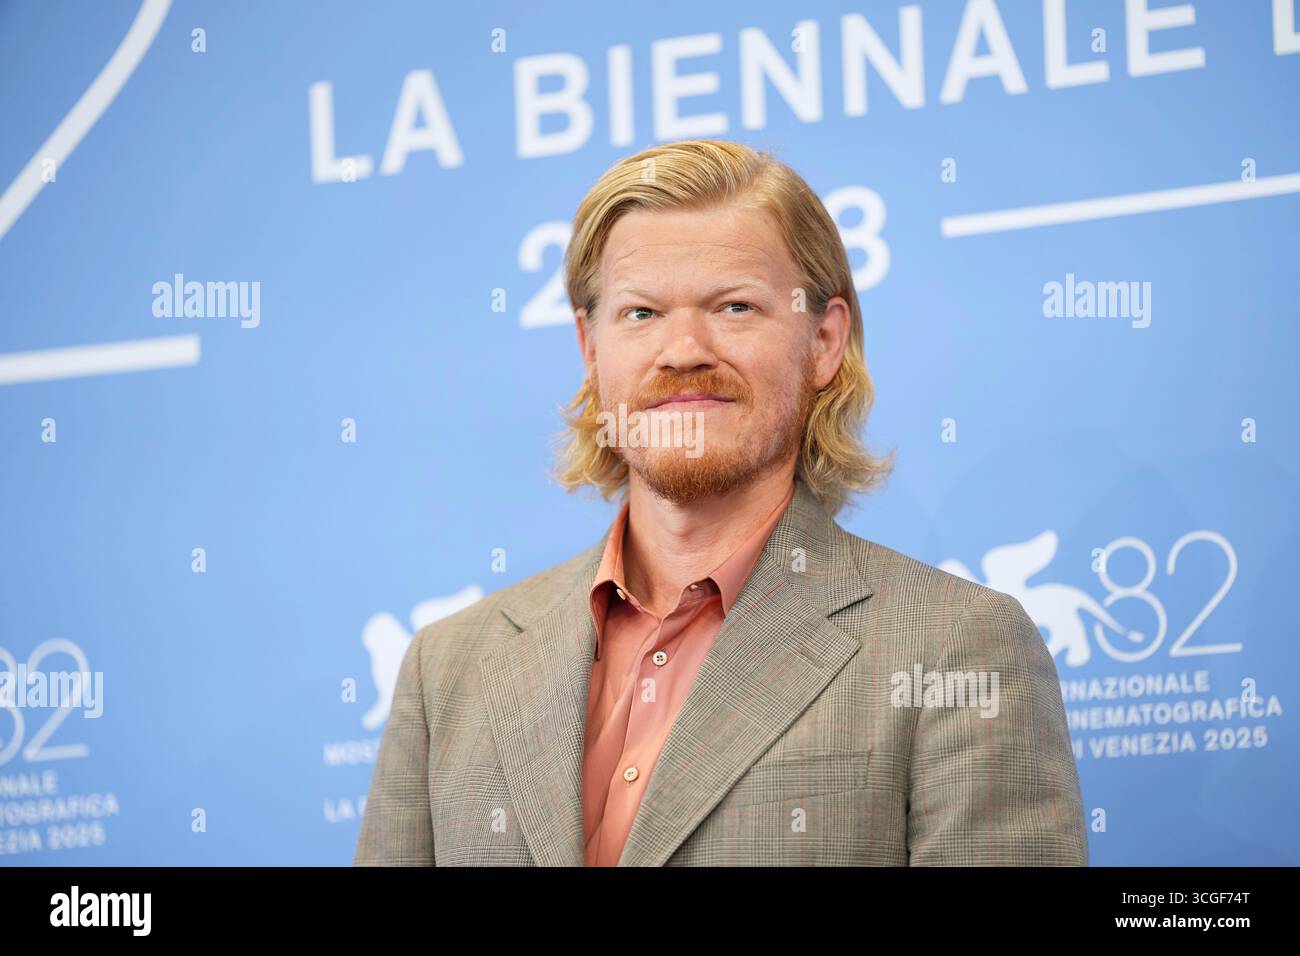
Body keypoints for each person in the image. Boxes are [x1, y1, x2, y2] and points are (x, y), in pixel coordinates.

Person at [354, 138, 1087, 866]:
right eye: (641, 314)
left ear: (824, 340)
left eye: (734, 306)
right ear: (589, 347)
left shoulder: (959, 644)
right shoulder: (449, 668)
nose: (682, 351)